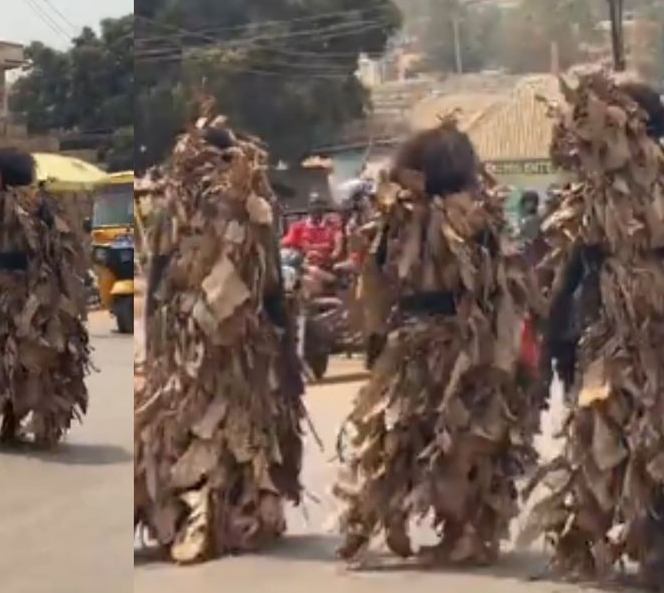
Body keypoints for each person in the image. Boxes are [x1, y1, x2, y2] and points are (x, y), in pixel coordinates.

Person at [526, 75, 664, 589]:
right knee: (629, 444)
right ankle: (652, 551)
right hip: (620, 340)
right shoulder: (596, 195)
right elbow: (576, 269)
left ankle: (659, 554)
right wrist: (558, 343)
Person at [334, 120, 539, 566]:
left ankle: (368, 520)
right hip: (465, 342)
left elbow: (378, 280)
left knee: (396, 435)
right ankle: (461, 531)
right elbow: (502, 285)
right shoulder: (478, 218)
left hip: (412, 339)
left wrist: (375, 341)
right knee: (458, 442)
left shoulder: (400, 217)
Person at [134, 114, 304, 563]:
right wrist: (283, 339)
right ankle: (219, 515)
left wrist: (153, 331)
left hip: (208, 338)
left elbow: (158, 276)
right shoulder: (206, 204)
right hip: (219, 338)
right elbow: (269, 284)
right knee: (224, 427)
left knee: (205, 425)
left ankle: (210, 515)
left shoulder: (186, 204)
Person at [0, 147, 90, 448]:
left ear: (6, 173)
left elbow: (55, 251)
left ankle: (35, 424)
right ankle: (4, 419)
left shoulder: (35, 206)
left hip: (32, 294)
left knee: (32, 363)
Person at [281, 191, 343, 266]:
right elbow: (285, 244)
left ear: (324, 209)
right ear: (308, 208)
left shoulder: (333, 227)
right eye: (313, 205)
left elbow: (337, 251)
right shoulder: (298, 227)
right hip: (303, 265)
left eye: (319, 205)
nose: (316, 208)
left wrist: (327, 258)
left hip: (326, 265)